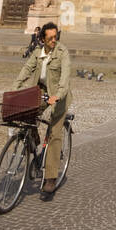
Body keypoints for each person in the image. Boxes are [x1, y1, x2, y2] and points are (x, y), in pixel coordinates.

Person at [13, 22, 71, 202]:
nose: (54, 41)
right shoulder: (38, 53)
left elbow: (65, 77)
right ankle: (34, 140)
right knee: (26, 116)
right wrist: (15, 89)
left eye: (56, 37)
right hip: (42, 92)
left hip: (59, 96)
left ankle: (50, 178)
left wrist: (58, 95)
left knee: (54, 134)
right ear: (42, 40)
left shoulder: (62, 53)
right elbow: (26, 70)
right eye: (50, 38)